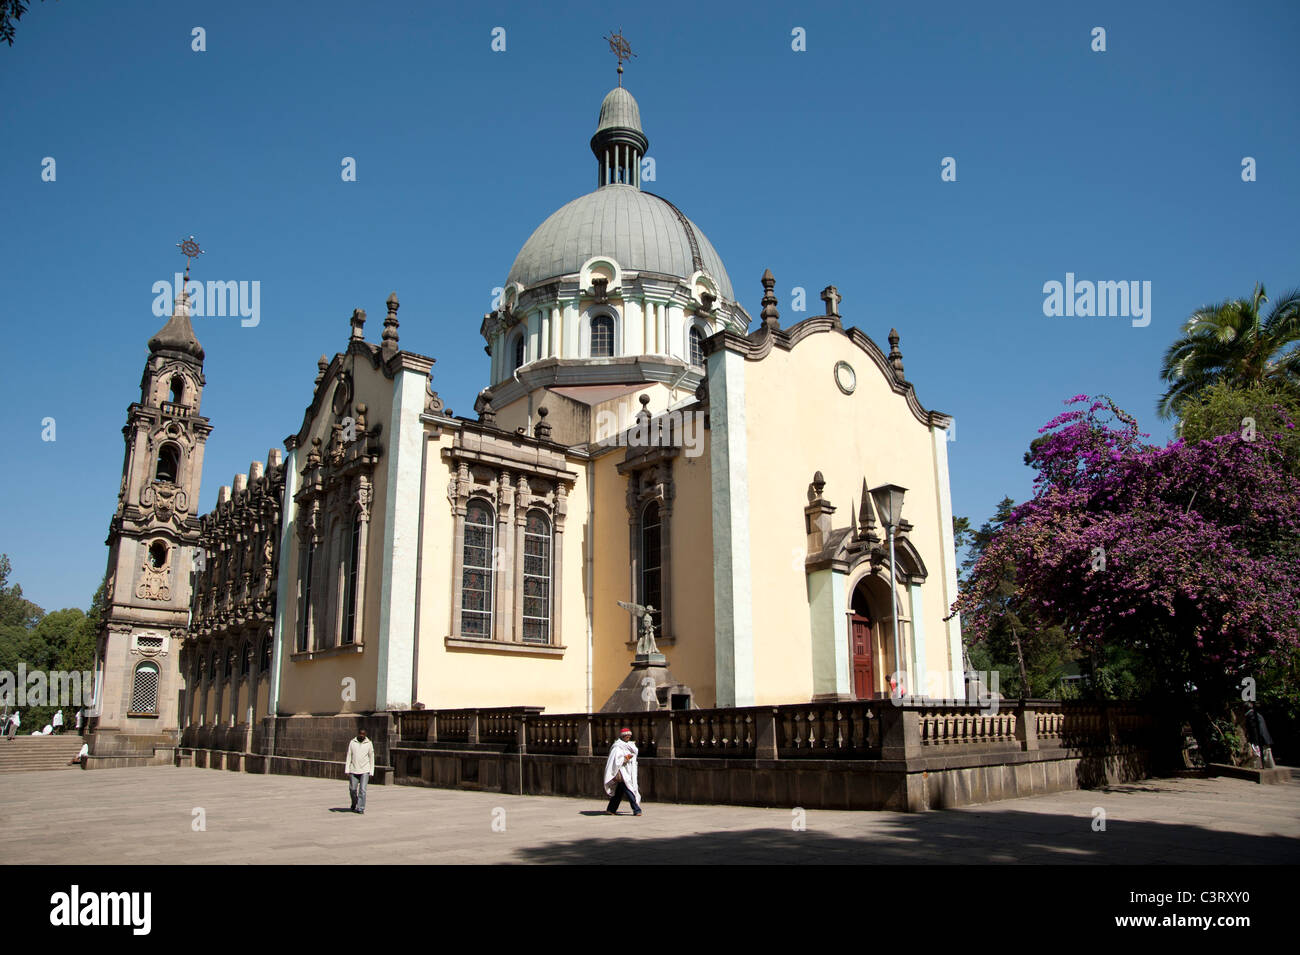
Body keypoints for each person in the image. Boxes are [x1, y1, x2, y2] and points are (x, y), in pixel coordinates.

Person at [603, 727, 642, 816]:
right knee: (629, 789)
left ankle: (611, 809)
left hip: (629, 770)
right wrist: (625, 758)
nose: (628, 737)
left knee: (619, 792)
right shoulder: (617, 746)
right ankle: (636, 809)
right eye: (626, 736)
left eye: (629, 736)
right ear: (623, 736)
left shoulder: (630, 745)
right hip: (622, 772)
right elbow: (615, 760)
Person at [344, 728, 374, 814]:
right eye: (360, 734)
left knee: (362, 790)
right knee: (352, 789)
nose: (362, 735)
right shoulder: (352, 742)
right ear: (358, 734)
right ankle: (355, 802)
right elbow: (349, 755)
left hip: (365, 770)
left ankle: (361, 808)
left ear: (365, 735)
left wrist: (371, 771)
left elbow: (371, 758)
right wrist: (347, 769)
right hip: (354, 769)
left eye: (363, 734)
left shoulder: (369, 743)